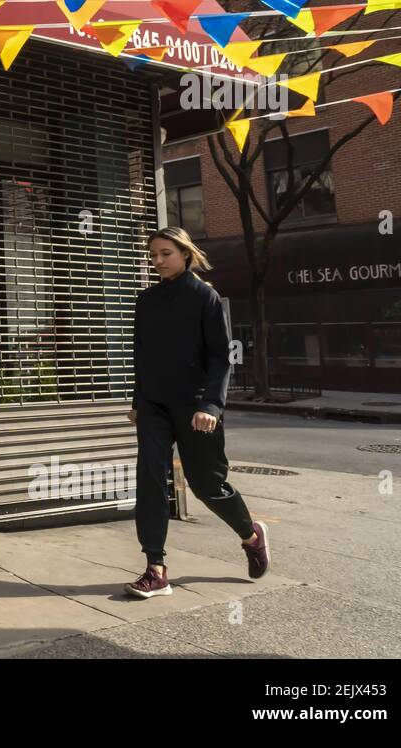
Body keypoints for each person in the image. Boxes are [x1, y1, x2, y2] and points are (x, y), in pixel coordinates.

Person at [124, 227, 270, 599]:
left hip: (195, 407)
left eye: (165, 254)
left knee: (207, 485)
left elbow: (221, 358)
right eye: (153, 254)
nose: (156, 261)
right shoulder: (146, 301)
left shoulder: (205, 297)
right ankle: (155, 569)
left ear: (185, 254)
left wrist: (212, 405)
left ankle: (251, 535)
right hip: (155, 405)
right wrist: (139, 401)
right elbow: (143, 357)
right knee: (151, 479)